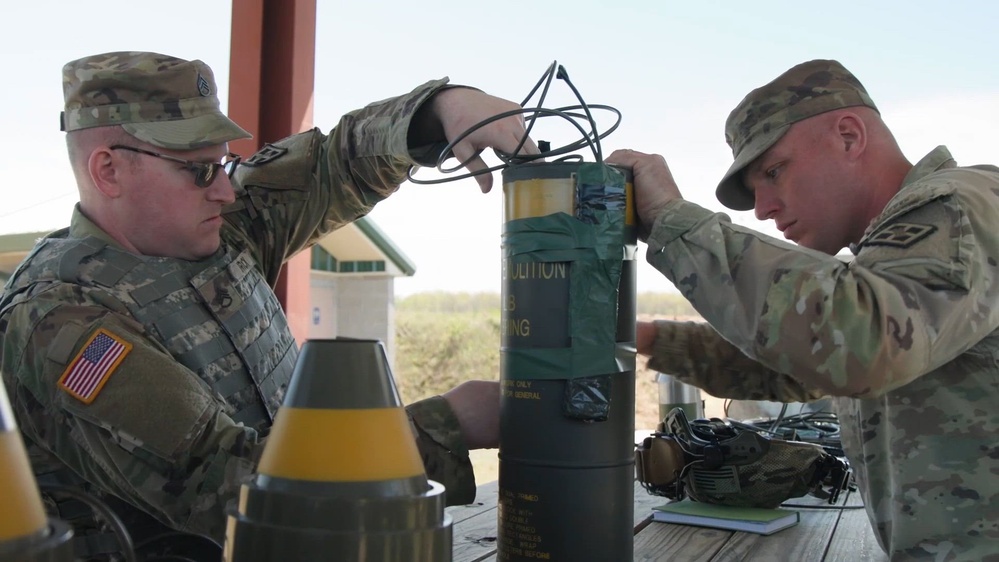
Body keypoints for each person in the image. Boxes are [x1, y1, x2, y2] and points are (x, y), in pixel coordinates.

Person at [0, 51, 537, 558]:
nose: (225, 192)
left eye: (223, 164)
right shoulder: (63, 323)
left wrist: (438, 111)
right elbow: (222, 484)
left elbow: (334, 165)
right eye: (198, 170)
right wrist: (445, 425)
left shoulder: (220, 233)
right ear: (108, 171)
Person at [608, 59, 999, 560]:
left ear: (849, 136)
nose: (764, 207)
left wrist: (673, 223)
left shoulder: (957, 206)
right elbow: (799, 368)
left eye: (773, 172)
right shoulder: (894, 258)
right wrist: (647, 338)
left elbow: (863, 343)